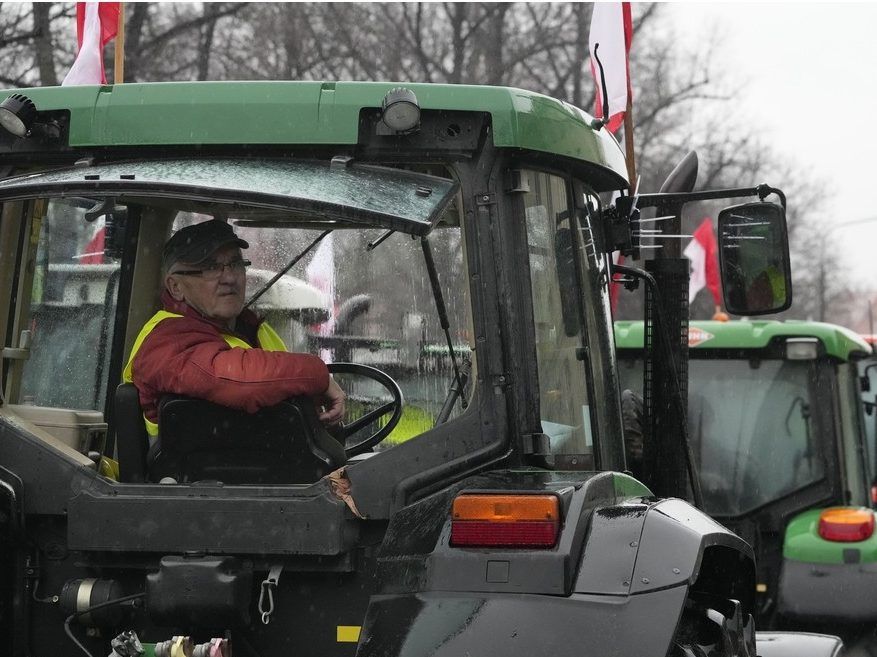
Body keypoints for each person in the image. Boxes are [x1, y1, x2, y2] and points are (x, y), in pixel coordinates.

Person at [123, 219, 345, 438]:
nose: (229, 278)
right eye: (210, 267)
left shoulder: (257, 330)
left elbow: (276, 388)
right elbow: (239, 382)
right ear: (176, 286)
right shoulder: (165, 339)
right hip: (188, 473)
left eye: (236, 264)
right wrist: (317, 375)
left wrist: (306, 398)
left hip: (271, 466)